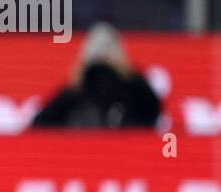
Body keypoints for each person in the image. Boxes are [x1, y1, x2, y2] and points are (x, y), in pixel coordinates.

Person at [31, 23, 161, 130]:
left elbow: (154, 113)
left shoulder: (131, 94)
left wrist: (131, 77)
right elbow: (39, 126)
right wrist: (70, 91)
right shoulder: (78, 93)